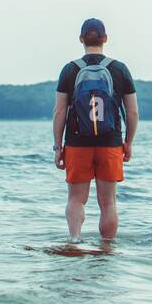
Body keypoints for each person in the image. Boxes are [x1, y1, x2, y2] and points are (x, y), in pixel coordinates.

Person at [53, 18, 139, 243]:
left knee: (76, 200)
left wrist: (58, 147)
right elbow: (132, 113)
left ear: (81, 39)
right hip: (110, 142)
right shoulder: (119, 69)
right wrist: (128, 143)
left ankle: (74, 240)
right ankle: (107, 251)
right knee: (108, 202)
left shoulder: (70, 70)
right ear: (105, 39)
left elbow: (59, 112)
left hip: (76, 142)